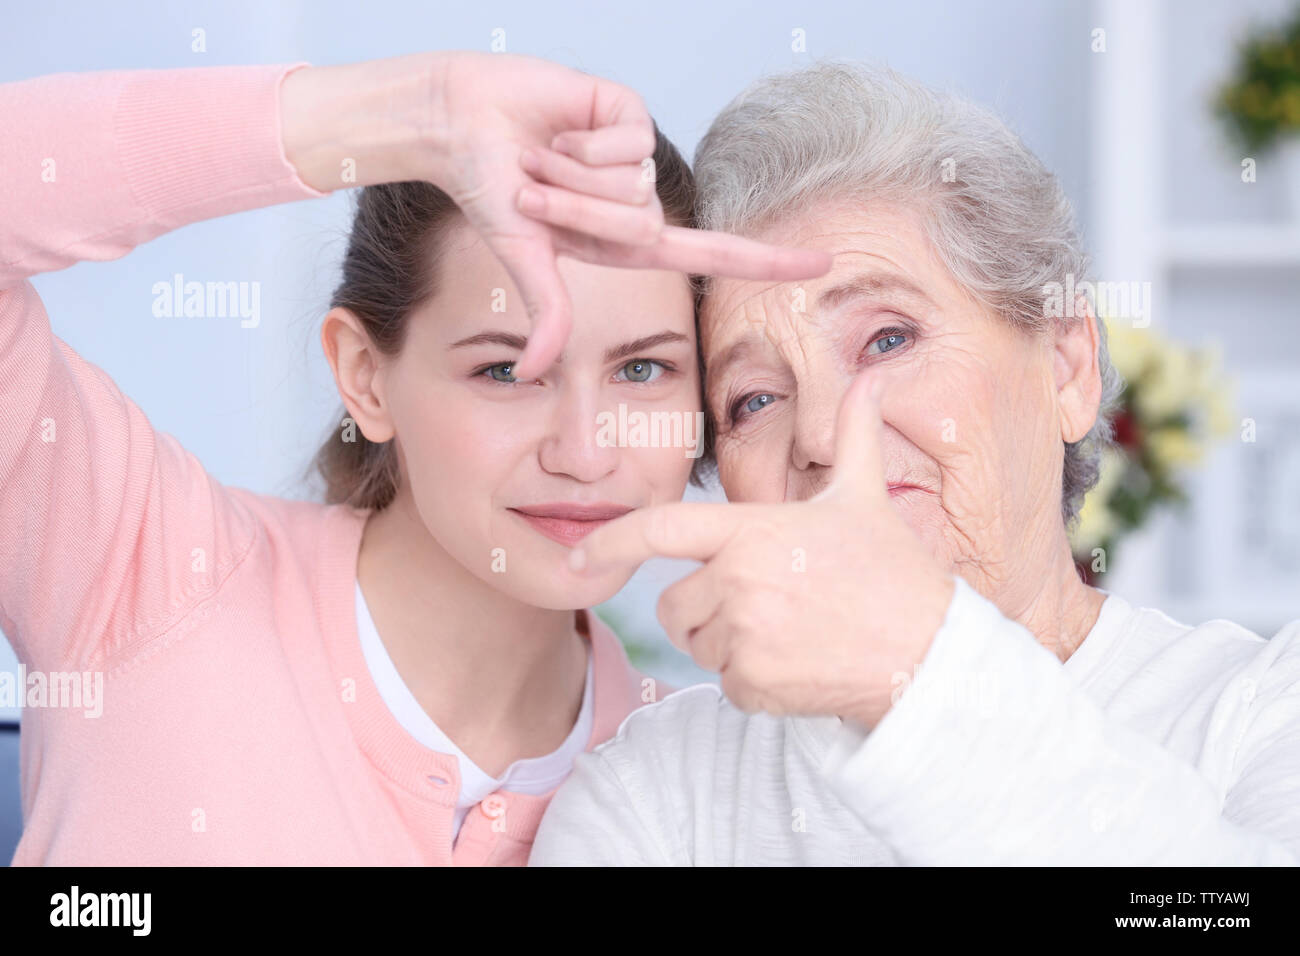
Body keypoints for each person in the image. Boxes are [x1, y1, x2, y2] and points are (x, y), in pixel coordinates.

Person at [0, 50, 829, 865]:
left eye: (642, 369)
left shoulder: (701, 777)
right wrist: (406, 111)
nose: (585, 452)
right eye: (507, 370)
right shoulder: (149, 572)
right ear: (366, 377)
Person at [524, 62, 1300, 865]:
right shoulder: (652, 798)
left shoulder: (1265, 712)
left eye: (888, 339)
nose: (821, 435)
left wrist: (918, 668)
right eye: (753, 399)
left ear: (1066, 366)